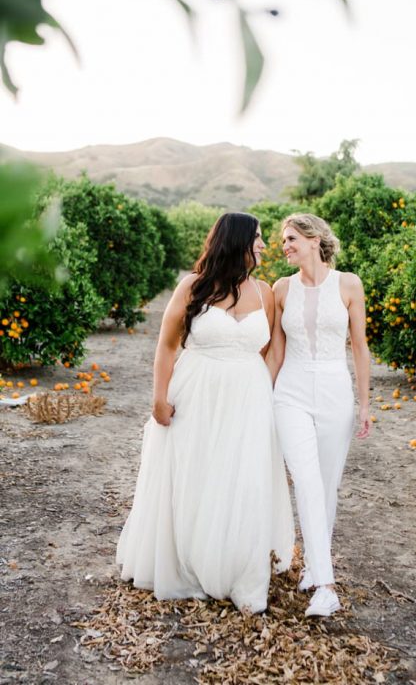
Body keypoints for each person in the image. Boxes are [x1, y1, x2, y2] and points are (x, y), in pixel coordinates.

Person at [117, 213, 294, 613]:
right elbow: (166, 346)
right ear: (236, 242)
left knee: (240, 479)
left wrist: (258, 392)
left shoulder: (265, 292)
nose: (264, 246)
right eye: (258, 239)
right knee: (195, 472)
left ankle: (234, 567)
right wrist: (159, 397)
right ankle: (189, 562)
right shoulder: (192, 286)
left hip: (248, 396)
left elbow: (268, 351)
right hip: (195, 391)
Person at [267, 213, 371, 618]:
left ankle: (313, 565)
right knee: (307, 481)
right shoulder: (280, 289)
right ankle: (326, 586)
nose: (285, 246)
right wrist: (262, 395)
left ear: (313, 239)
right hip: (289, 391)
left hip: (334, 391)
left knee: (326, 486)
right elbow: (276, 350)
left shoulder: (348, 284)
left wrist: (364, 403)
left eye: (291, 238)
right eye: (282, 241)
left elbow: (359, 347)